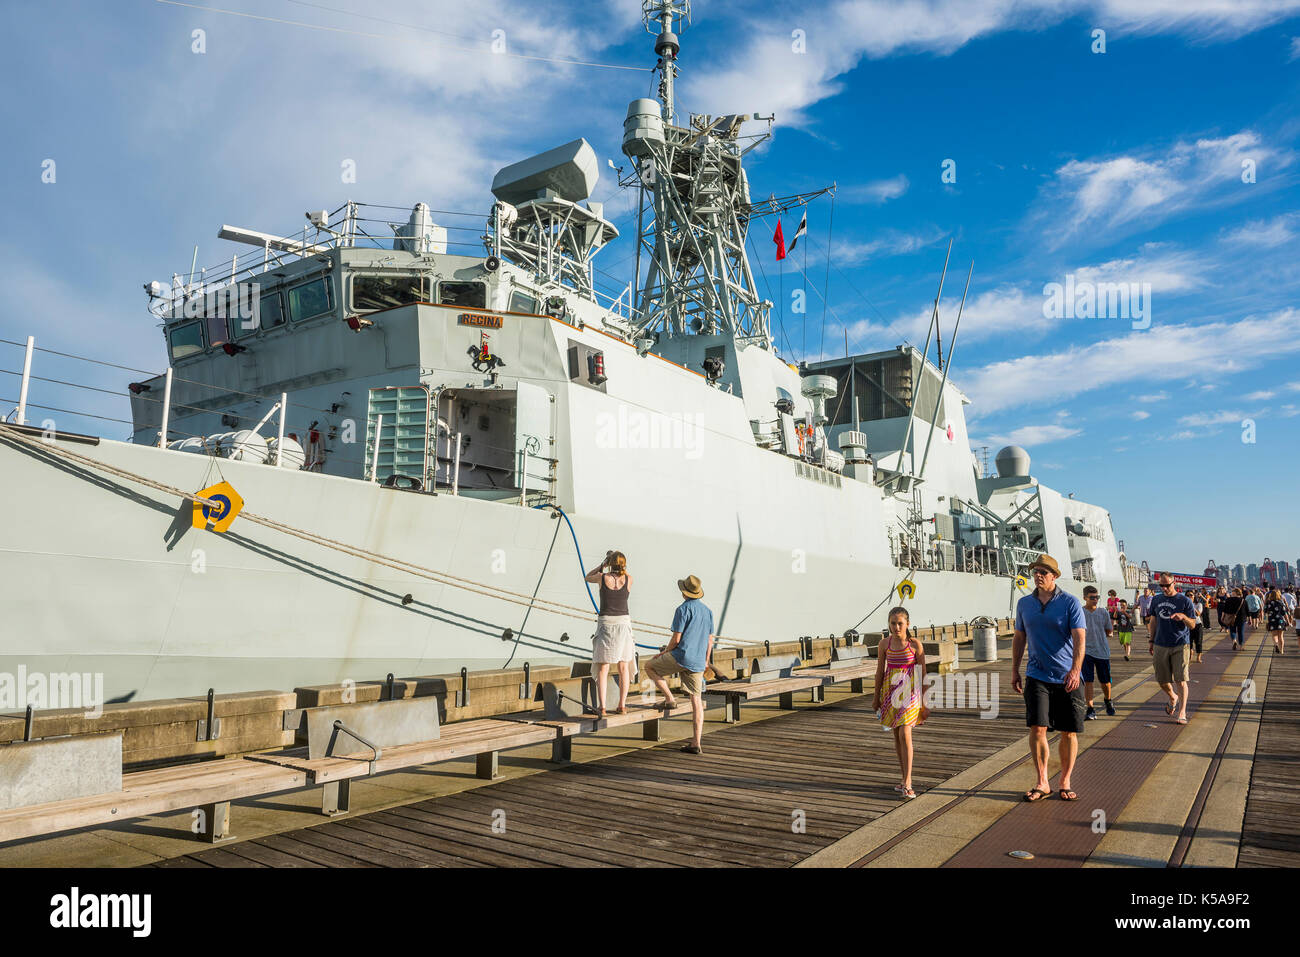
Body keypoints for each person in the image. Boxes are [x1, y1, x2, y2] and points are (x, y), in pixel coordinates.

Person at [1012, 553, 1087, 802]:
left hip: (1067, 676)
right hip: (1036, 674)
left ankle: (1065, 780)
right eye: (1035, 572)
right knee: (1038, 728)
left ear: (1054, 576)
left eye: (1043, 572)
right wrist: (1014, 670)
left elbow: (1079, 639)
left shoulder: (1070, 603)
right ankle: (1043, 781)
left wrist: (1076, 670)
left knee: (1068, 732)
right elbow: (1019, 638)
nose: (1038, 576)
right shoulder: (1024, 604)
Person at [644, 574, 714, 754]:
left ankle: (669, 699)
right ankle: (696, 743)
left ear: (684, 593)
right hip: (698, 661)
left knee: (649, 666)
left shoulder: (682, 610)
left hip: (681, 656)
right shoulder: (708, 612)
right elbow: (710, 641)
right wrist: (706, 661)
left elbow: (676, 639)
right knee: (696, 701)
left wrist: (664, 652)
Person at [871, 605, 929, 799]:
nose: (896, 627)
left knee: (905, 731)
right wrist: (876, 697)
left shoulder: (915, 645)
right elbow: (880, 671)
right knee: (896, 735)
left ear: (908, 624)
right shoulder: (883, 644)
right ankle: (903, 778)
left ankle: (908, 782)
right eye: (893, 623)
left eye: (900, 623)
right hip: (890, 691)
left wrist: (925, 702)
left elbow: (923, 674)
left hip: (910, 691)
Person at [585, 550, 635, 716]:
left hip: (606, 624)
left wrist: (603, 564)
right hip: (623, 625)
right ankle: (622, 705)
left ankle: (603, 707)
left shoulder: (602, 578)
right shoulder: (629, 579)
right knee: (623, 666)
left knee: (603, 667)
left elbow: (587, 576)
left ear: (610, 563)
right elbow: (623, 573)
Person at [1148, 572, 1198, 725]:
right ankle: (1173, 697)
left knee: (1181, 679)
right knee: (1162, 680)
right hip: (1160, 643)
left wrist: (1183, 617)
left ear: (1174, 583)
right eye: (1161, 586)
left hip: (1180, 643)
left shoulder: (1184, 601)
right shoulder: (1156, 599)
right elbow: (1153, 620)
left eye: (1167, 585)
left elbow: (1193, 624)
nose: (1164, 588)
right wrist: (1151, 640)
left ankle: (1182, 712)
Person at [1081, 586, 1115, 718]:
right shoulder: (1080, 612)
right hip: (1086, 651)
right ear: (1085, 598)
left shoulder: (1103, 612)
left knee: (1105, 681)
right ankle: (1090, 708)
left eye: (1097, 597)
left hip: (1102, 651)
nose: (1095, 600)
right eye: (1092, 598)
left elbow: (1109, 631)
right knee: (1088, 680)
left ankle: (1108, 700)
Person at [1264, 588, 1290, 655]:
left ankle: (1276, 644)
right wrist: (1288, 621)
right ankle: (1281, 651)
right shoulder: (1280, 603)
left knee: (1274, 635)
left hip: (1272, 620)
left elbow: (1265, 611)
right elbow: (1284, 613)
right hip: (1280, 620)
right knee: (1281, 636)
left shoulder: (1268, 603)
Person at [1189, 590, 1205, 664]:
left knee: (1198, 642)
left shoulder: (1199, 604)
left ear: (1194, 596)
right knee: (1189, 642)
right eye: (1187, 595)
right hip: (1188, 625)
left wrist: (1192, 606)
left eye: (1191, 595)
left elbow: (1198, 614)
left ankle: (1198, 657)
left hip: (1197, 624)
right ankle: (1190, 656)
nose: (1189, 596)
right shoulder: (1184, 604)